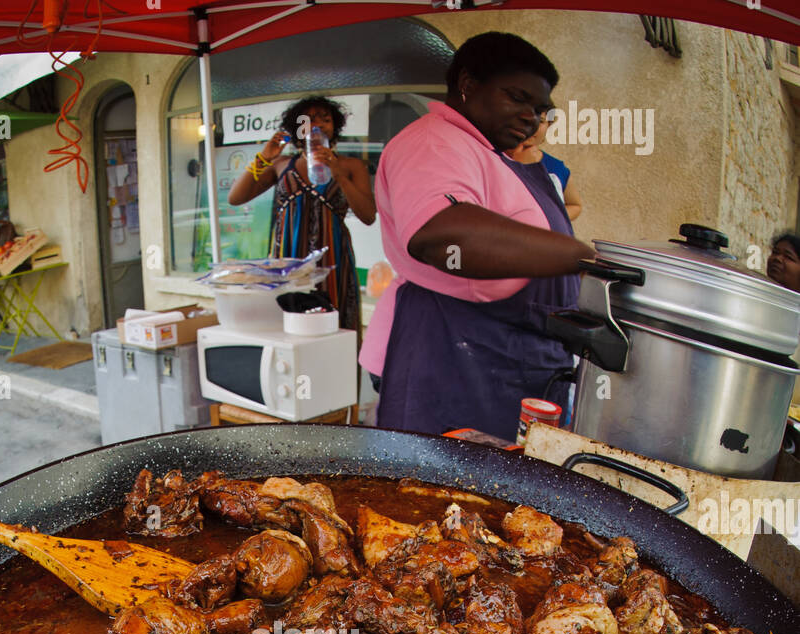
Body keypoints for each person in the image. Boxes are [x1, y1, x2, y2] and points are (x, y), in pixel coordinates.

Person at [360, 31, 593, 439]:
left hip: (503, 358)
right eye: (518, 98)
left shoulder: (488, 153)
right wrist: (582, 257)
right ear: (468, 86)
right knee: (440, 490)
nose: (531, 118)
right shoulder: (434, 142)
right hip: (455, 355)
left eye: (541, 110)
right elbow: (444, 238)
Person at [227, 96, 375, 331]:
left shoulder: (351, 166)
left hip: (333, 263)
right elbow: (236, 197)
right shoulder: (282, 164)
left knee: (336, 327)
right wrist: (264, 157)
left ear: (335, 127)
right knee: (289, 329)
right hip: (288, 263)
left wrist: (338, 174)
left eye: (325, 119)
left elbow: (368, 216)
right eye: (309, 120)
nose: (317, 125)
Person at [508, 115, 582, 221]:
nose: (532, 125)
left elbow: (575, 205)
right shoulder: (495, 158)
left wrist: (550, 218)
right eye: (525, 118)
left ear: (549, 126)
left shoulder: (557, 168)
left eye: (541, 121)